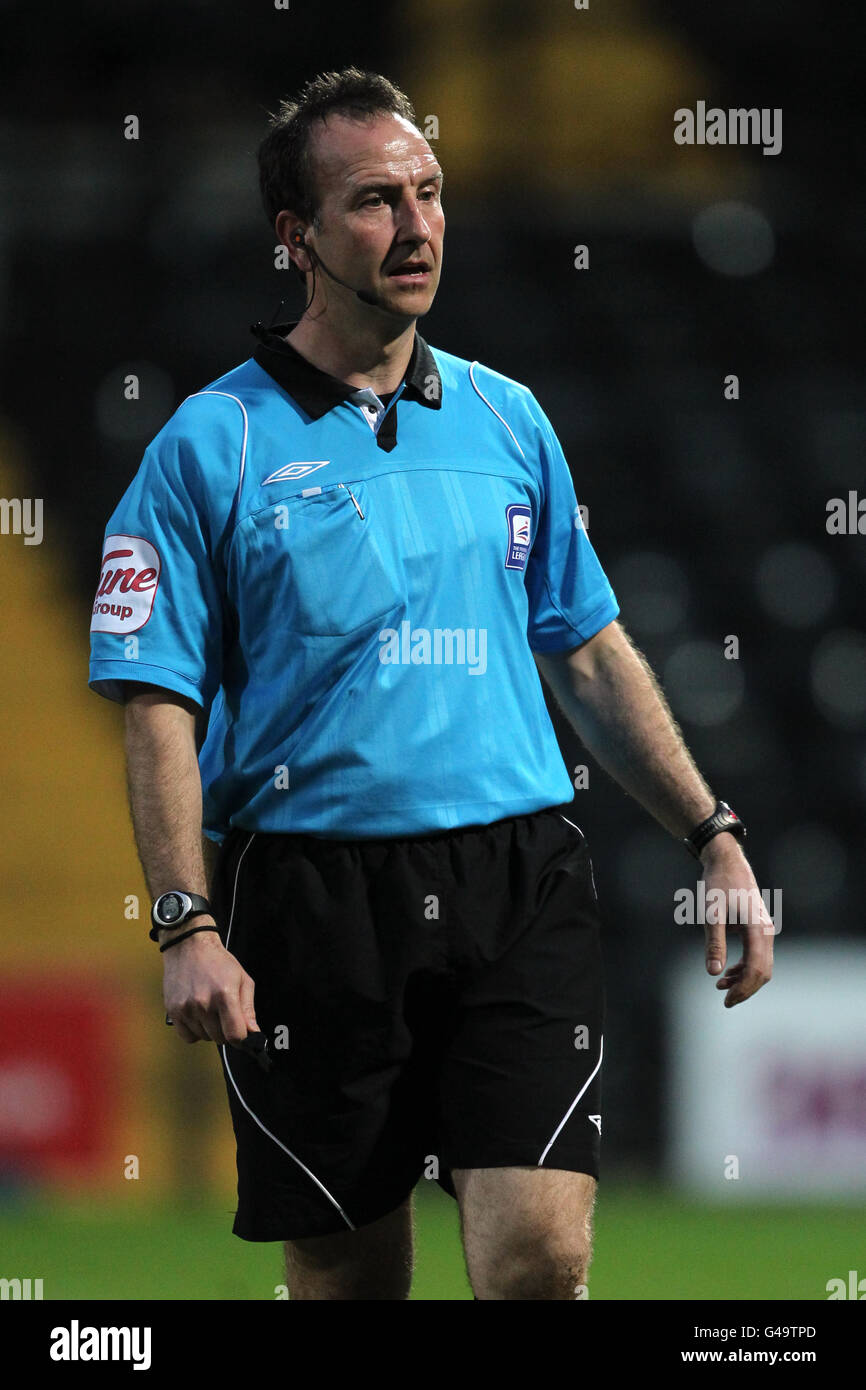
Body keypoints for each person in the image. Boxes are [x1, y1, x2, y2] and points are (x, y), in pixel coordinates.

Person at [88, 67, 773, 1300]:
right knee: (351, 1283)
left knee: (538, 1258)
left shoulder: (511, 420)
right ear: (294, 237)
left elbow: (587, 647)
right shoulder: (209, 444)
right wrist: (184, 919)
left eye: (428, 192)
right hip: (304, 897)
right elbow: (157, 702)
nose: (414, 227)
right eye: (372, 201)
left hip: (515, 877)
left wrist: (710, 831)